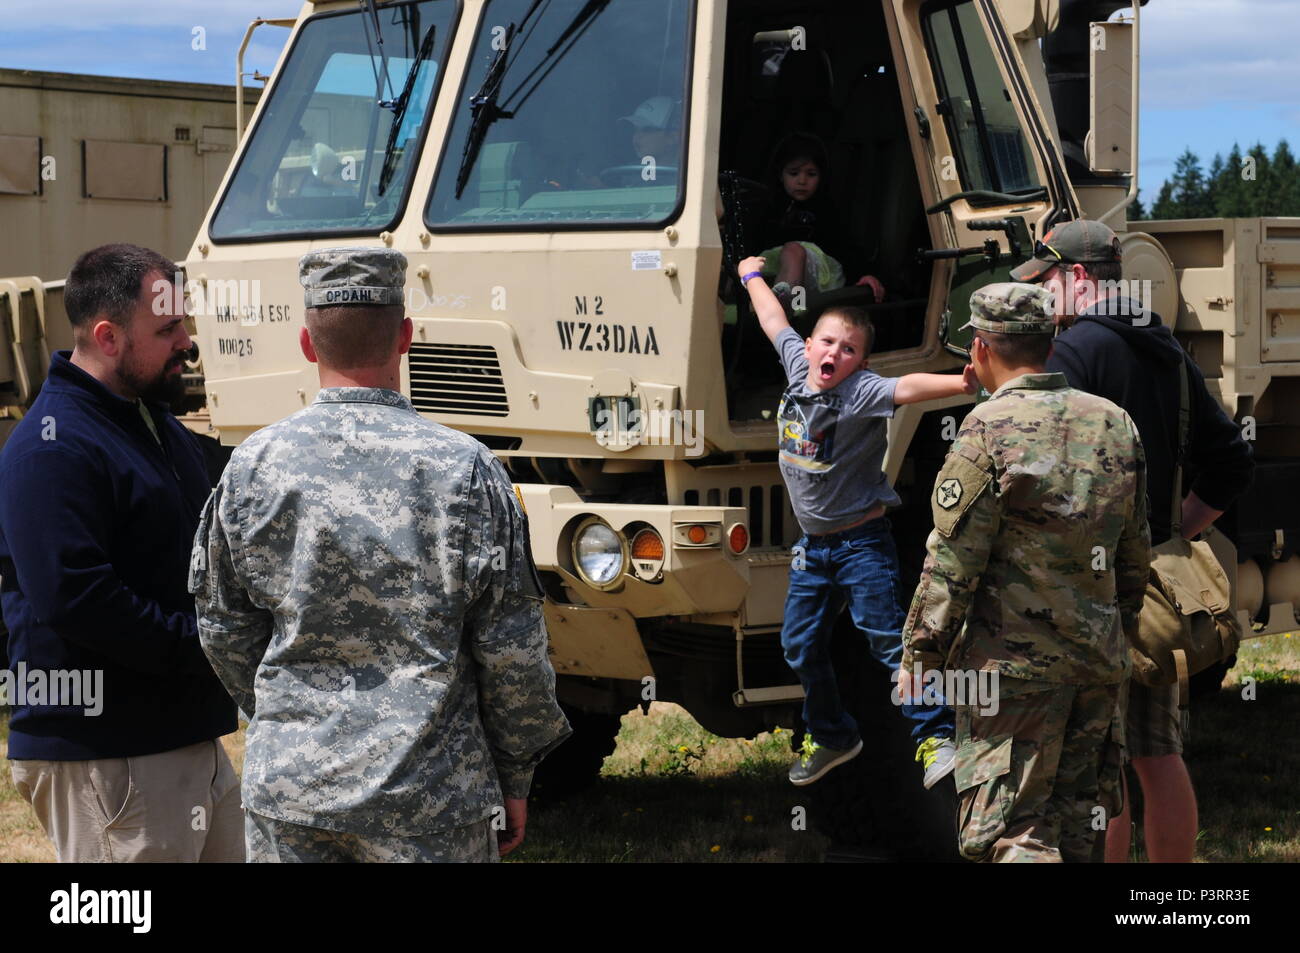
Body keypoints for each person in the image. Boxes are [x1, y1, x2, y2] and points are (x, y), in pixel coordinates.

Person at [190, 247, 571, 863]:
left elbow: (222, 627)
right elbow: (513, 650)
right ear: (406, 337)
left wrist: (292, 716)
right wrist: (516, 774)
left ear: (308, 345)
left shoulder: (251, 470)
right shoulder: (466, 471)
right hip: (431, 797)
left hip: (293, 796)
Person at [1010, 218, 1255, 862]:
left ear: (1081, 278)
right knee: (1158, 753)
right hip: (1159, 591)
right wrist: (1174, 533)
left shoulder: (1071, 354)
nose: (1043, 296)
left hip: (1089, 592)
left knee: (1096, 765)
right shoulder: (1168, 349)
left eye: (1049, 281)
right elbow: (1232, 461)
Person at [1, 243, 241, 862]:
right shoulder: (54, 447)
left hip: (182, 739)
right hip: (108, 757)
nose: (186, 343)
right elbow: (76, 598)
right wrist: (206, 644)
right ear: (108, 337)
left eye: (184, 322)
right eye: (167, 329)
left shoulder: (152, 425)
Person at [900, 282, 1151, 863]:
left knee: (1014, 835)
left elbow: (952, 564)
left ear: (982, 347)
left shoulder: (987, 428)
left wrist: (920, 658)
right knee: (1079, 831)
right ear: (1051, 343)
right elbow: (1134, 553)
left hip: (1012, 676)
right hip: (1097, 665)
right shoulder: (1114, 422)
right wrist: (1118, 634)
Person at [737, 256, 972, 787]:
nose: (833, 353)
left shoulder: (862, 392)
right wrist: (751, 276)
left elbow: (908, 388)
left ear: (861, 362)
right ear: (810, 343)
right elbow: (774, 320)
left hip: (861, 544)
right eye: (826, 342)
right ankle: (833, 734)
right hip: (812, 548)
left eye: (849, 350)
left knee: (888, 640)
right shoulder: (798, 368)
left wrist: (964, 383)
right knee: (798, 644)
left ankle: (935, 738)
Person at [751, 132, 884, 308]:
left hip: (820, 280)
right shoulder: (768, 209)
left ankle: (787, 313)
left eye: (811, 174)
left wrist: (865, 273)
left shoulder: (826, 210)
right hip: (777, 275)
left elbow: (846, 246)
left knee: (793, 251)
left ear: (821, 177)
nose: (802, 180)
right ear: (780, 175)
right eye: (794, 173)